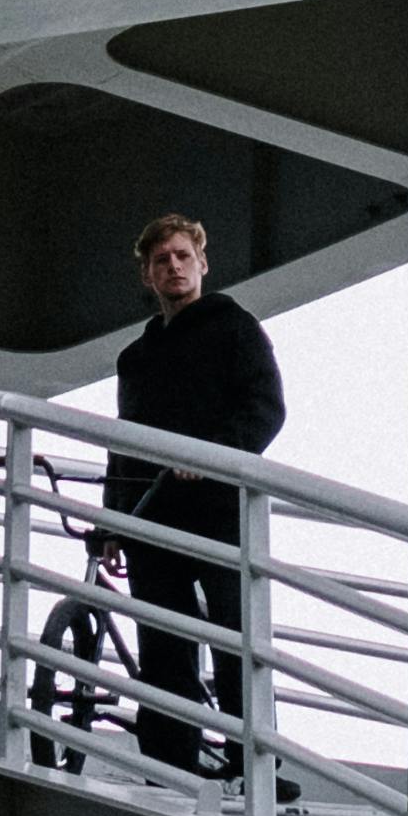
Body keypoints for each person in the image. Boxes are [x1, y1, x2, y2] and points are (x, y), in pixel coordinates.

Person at [92, 209, 285, 784]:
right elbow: (121, 444)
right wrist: (110, 524)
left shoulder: (235, 328)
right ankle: (168, 765)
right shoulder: (137, 357)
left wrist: (211, 457)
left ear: (201, 263)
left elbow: (265, 410)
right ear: (148, 277)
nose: (173, 267)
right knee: (164, 646)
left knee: (235, 639)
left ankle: (254, 763)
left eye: (182, 256)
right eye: (161, 261)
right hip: (154, 516)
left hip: (222, 511)